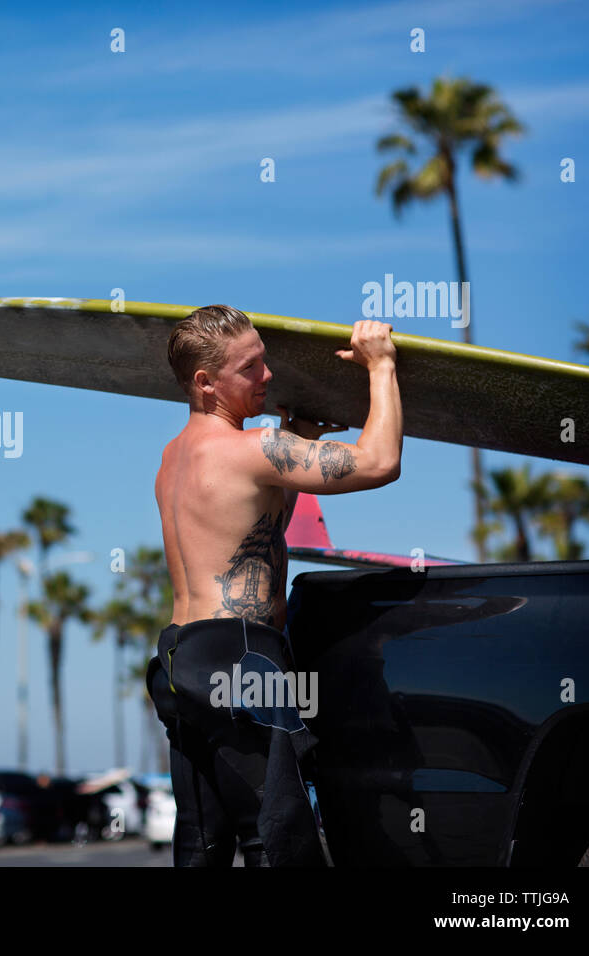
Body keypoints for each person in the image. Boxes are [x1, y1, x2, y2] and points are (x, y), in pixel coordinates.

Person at [147, 306, 402, 867]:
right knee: (279, 842)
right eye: (250, 368)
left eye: (265, 361)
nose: (267, 377)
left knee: (202, 844)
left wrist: (301, 434)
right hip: (239, 659)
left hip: (177, 659)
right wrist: (380, 366)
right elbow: (380, 462)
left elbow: (253, 532)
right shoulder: (255, 448)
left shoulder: (173, 459)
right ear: (205, 381)